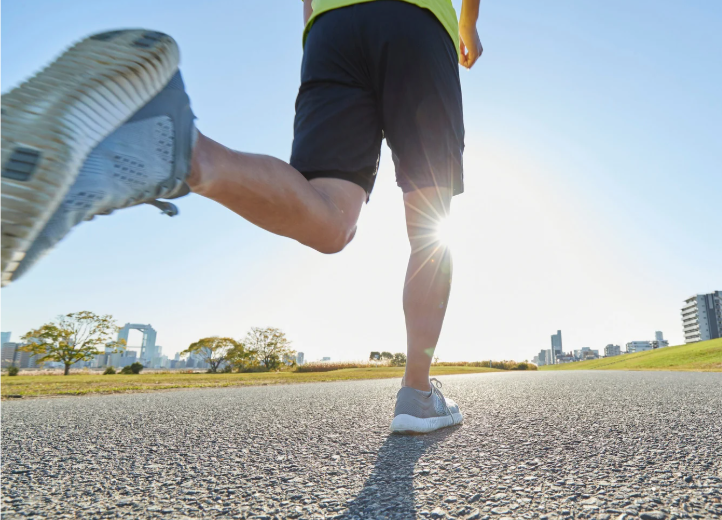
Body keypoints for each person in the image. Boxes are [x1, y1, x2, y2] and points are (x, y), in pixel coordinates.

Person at [0, 0, 482, 433]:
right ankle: (417, 394)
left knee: (331, 221)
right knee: (430, 228)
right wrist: (469, 22)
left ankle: (185, 151)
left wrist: (317, 30)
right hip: (416, 22)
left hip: (330, 30)